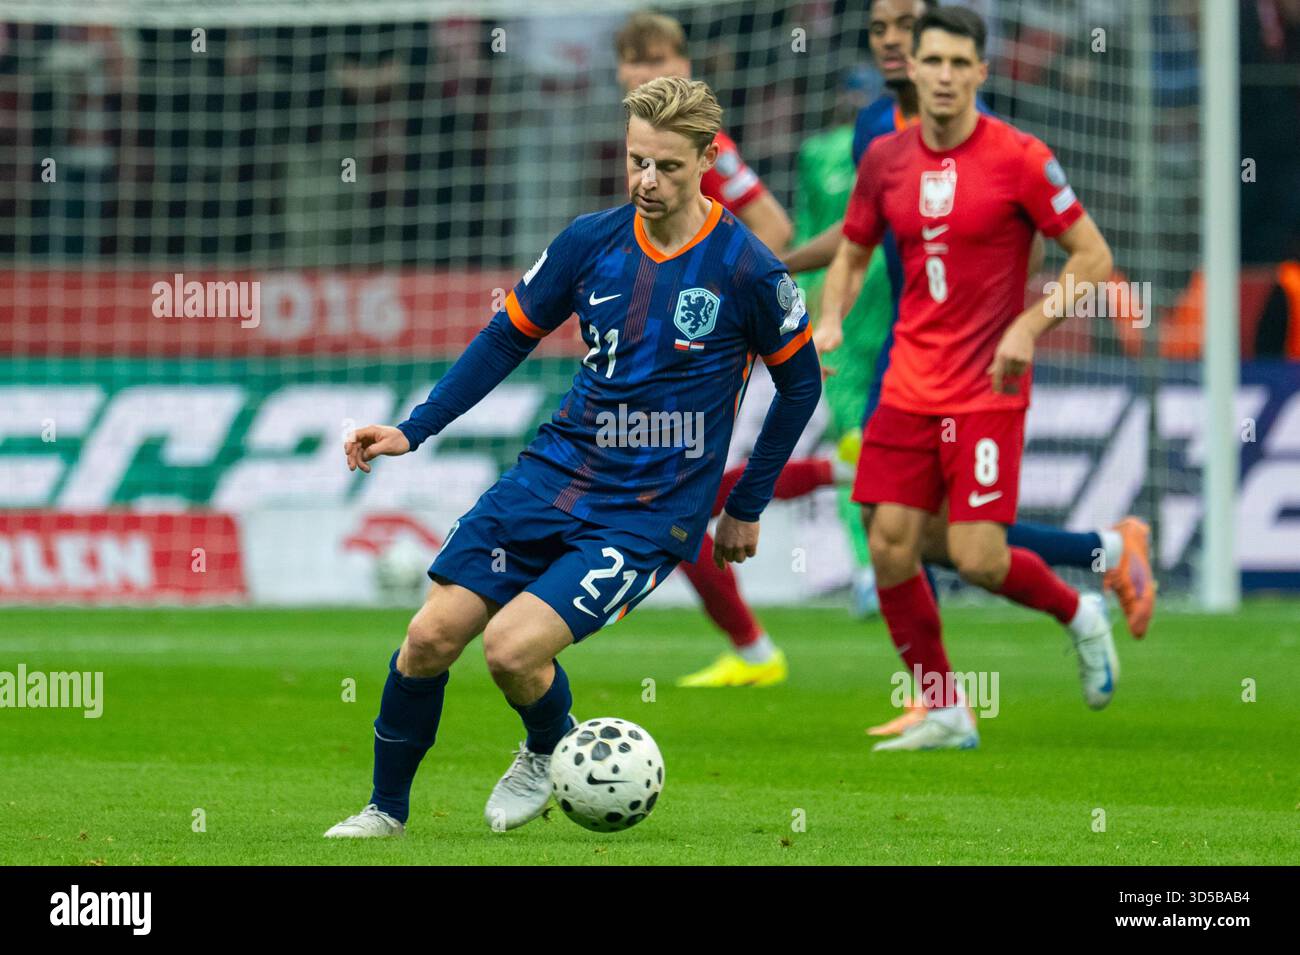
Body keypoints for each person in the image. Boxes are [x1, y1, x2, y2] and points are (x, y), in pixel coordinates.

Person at [326, 76, 821, 836]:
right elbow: (506, 338)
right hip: (552, 475)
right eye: (635, 161)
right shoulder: (590, 241)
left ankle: (543, 748)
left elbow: (800, 386)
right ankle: (385, 812)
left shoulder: (748, 269)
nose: (646, 181)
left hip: (648, 512)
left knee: (511, 651)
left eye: (667, 166)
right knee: (427, 639)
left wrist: (745, 505)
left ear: (708, 158)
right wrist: (413, 428)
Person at [816, 7, 1119, 751]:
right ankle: (945, 706)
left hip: (988, 384)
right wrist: (829, 320)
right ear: (910, 70)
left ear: (982, 72)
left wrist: (1029, 325)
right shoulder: (886, 160)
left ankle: (1079, 613)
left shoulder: (1020, 156)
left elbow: (1093, 257)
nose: (946, 76)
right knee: (890, 543)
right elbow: (854, 251)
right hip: (908, 380)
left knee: (979, 557)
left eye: (961, 63)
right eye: (934, 62)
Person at [615, 11, 839, 689]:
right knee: (675, 500)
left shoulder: (710, 146)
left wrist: (753, 320)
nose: (645, 70)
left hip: (709, 352)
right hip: (665, 352)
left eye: (660, 58)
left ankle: (752, 644)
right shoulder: (643, 145)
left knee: (673, 499)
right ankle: (751, 644)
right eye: (633, 60)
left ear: (687, 66)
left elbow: (774, 227)